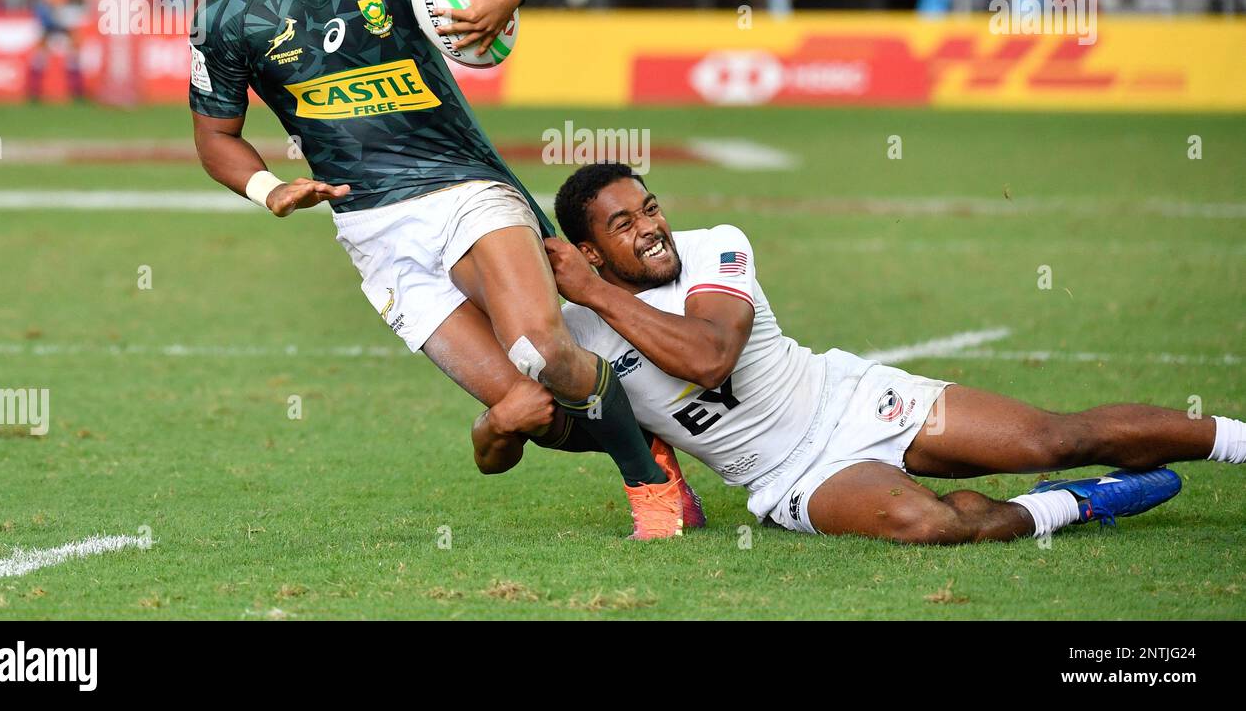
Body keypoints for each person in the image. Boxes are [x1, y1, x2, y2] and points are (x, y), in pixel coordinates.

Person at [163, 0, 682, 539]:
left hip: (464, 189)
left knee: (544, 351)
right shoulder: (231, 11)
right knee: (530, 409)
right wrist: (269, 188)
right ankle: (648, 444)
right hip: (374, 233)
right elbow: (215, 136)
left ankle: (656, 494)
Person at [471, 163, 1246, 545]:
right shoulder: (570, 332)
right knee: (932, 527)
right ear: (588, 251)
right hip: (792, 478)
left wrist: (600, 295)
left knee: (1054, 436)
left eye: (651, 207)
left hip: (849, 398)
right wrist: (506, 426)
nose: (652, 227)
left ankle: (1238, 442)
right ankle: (1075, 502)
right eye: (623, 225)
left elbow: (708, 357)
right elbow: (580, 425)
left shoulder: (715, 248)